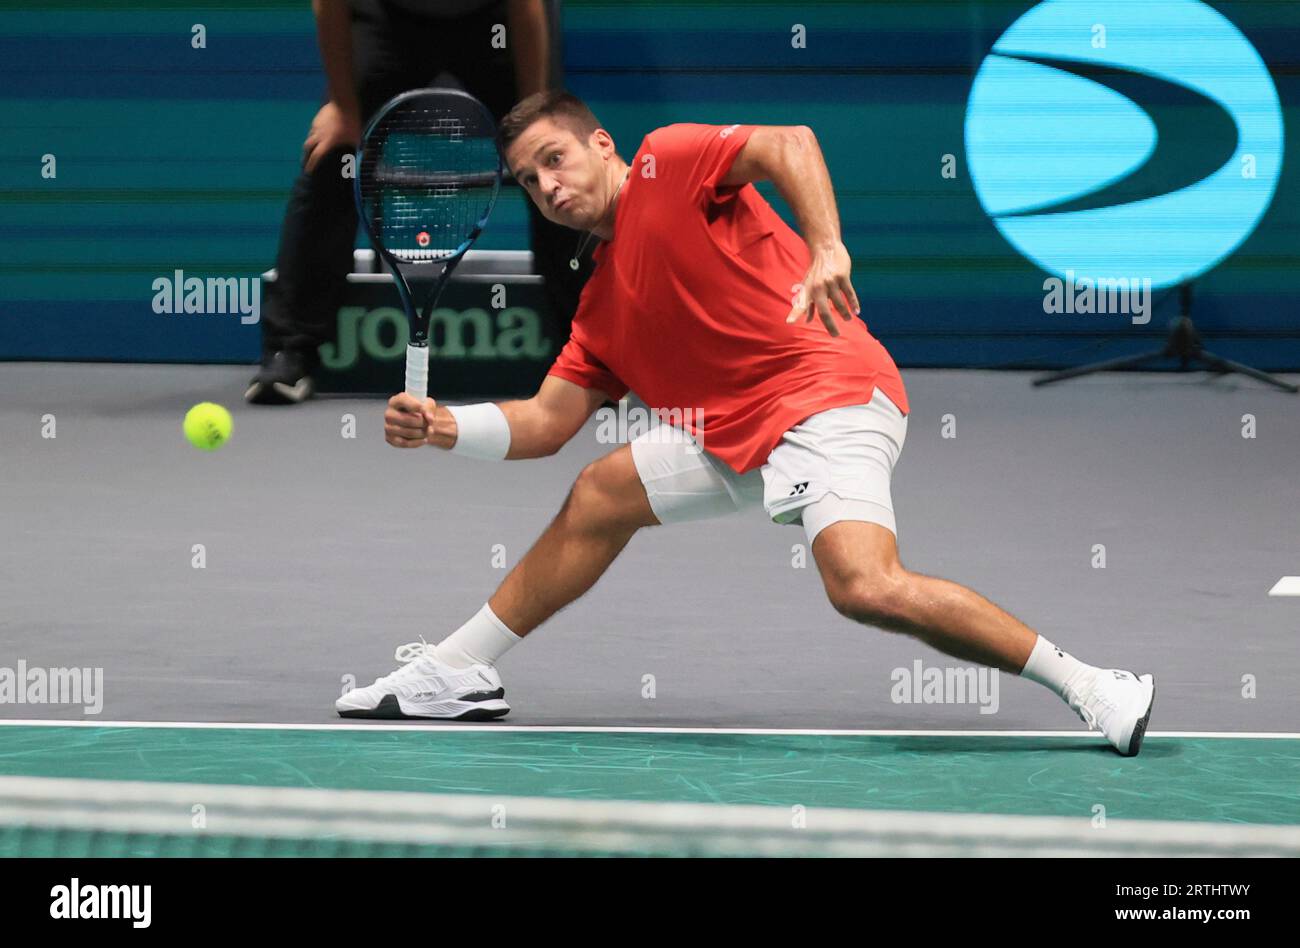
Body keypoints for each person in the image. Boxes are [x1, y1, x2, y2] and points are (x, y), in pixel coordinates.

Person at [336, 91, 1157, 756]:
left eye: (555, 159)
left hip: (828, 392)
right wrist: (446, 425)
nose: (547, 185)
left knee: (864, 586)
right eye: (528, 179)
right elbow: (548, 422)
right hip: (738, 433)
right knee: (598, 494)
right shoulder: (600, 305)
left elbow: (789, 141)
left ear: (604, 146)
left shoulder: (669, 160)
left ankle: (1093, 686)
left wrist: (827, 247)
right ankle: (456, 671)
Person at [247, 0, 590, 404]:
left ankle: (587, 354)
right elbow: (330, 6)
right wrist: (343, 107)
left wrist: (535, 121)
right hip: (387, 18)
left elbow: (526, 6)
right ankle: (290, 349)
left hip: (493, 19)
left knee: (549, 159)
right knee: (332, 155)